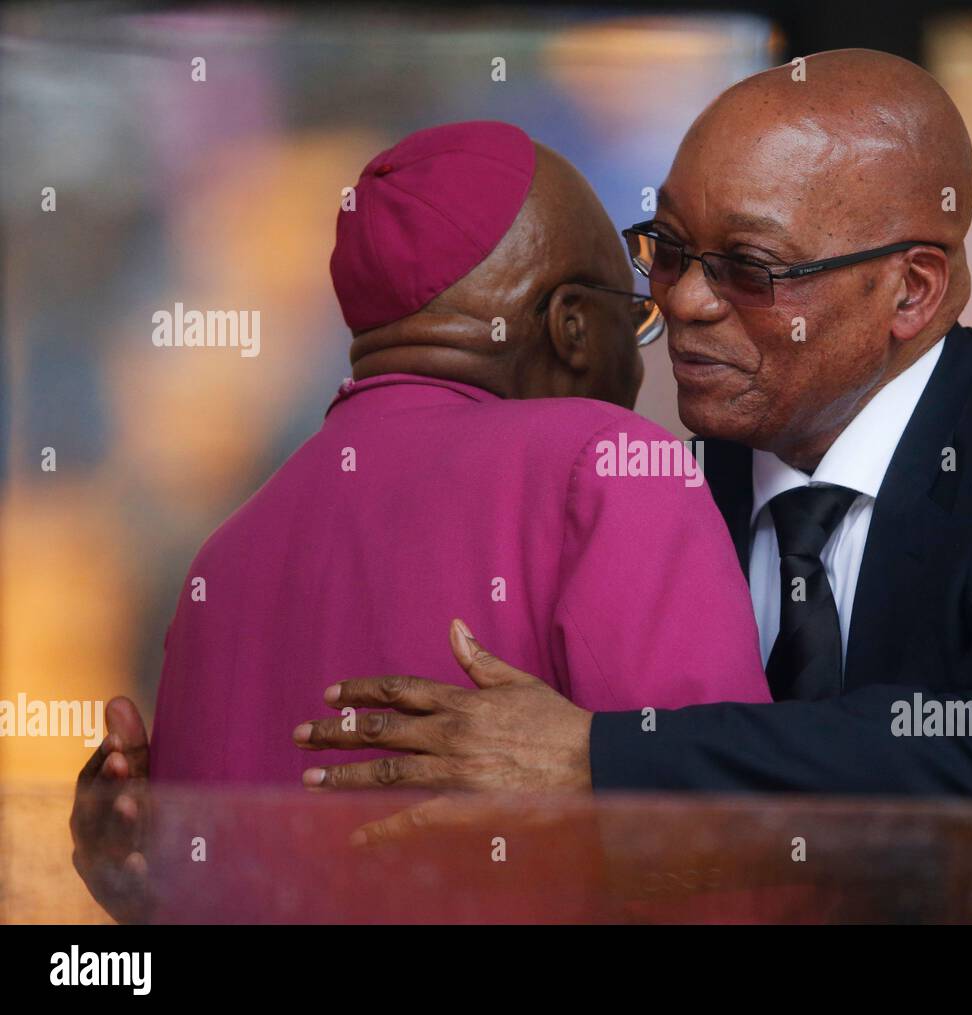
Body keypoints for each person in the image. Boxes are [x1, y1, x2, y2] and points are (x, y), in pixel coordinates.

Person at [298, 52, 972, 924]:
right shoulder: (661, 494)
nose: (680, 300)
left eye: (748, 268)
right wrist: (161, 836)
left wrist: (603, 760)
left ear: (912, 291)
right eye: (669, 248)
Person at [70, 120, 770, 921]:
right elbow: (731, 865)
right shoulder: (607, 466)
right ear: (572, 324)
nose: (642, 347)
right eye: (631, 314)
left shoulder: (223, 557)